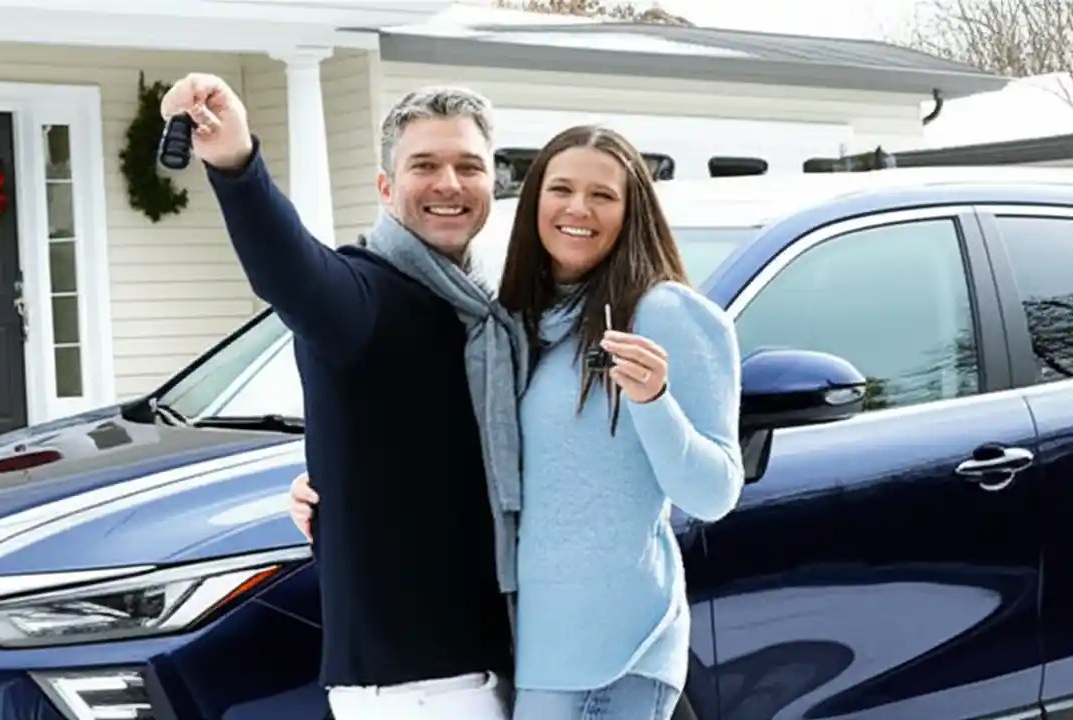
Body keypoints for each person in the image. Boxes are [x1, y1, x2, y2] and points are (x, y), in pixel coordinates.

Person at [290, 123, 744, 719]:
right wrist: (335, 490)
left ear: (633, 211)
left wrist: (654, 400)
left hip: (610, 650)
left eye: (603, 195)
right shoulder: (518, 322)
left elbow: (713, 493)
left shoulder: (664, 313)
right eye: (560, 189)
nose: (578, 208)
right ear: (534, 204)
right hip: (531, 648)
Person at [158, 74, 523, 719]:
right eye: (425, 165)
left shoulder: (489, 315)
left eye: (470, 166)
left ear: (493, 183)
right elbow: (289, 268)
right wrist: (237, 165)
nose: (449, 184)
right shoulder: (362, 297)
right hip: (421, 686)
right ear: (386, 188)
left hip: (493, 658)